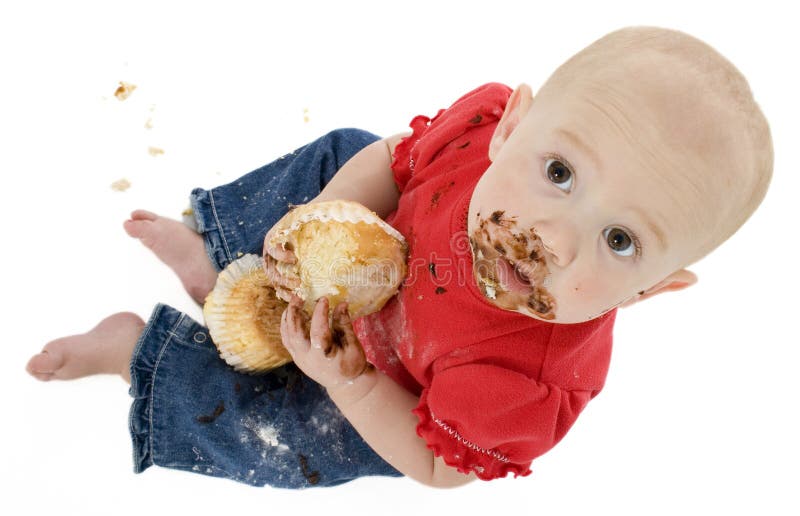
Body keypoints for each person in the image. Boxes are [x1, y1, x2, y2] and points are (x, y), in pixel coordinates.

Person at [25, 26, 773, 489]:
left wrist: (348, 384)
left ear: (650, 291)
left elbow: (439, 468)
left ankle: (144, 360)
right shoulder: (476, 134)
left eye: (620, 242)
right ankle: (226, 256)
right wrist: (316, 221)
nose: (554, 237)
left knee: (299, 442)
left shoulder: (527, 381)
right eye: (559, 173)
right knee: (348, 153)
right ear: (511, 125)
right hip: (364, 244)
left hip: (381, 381)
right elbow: (392, 156)